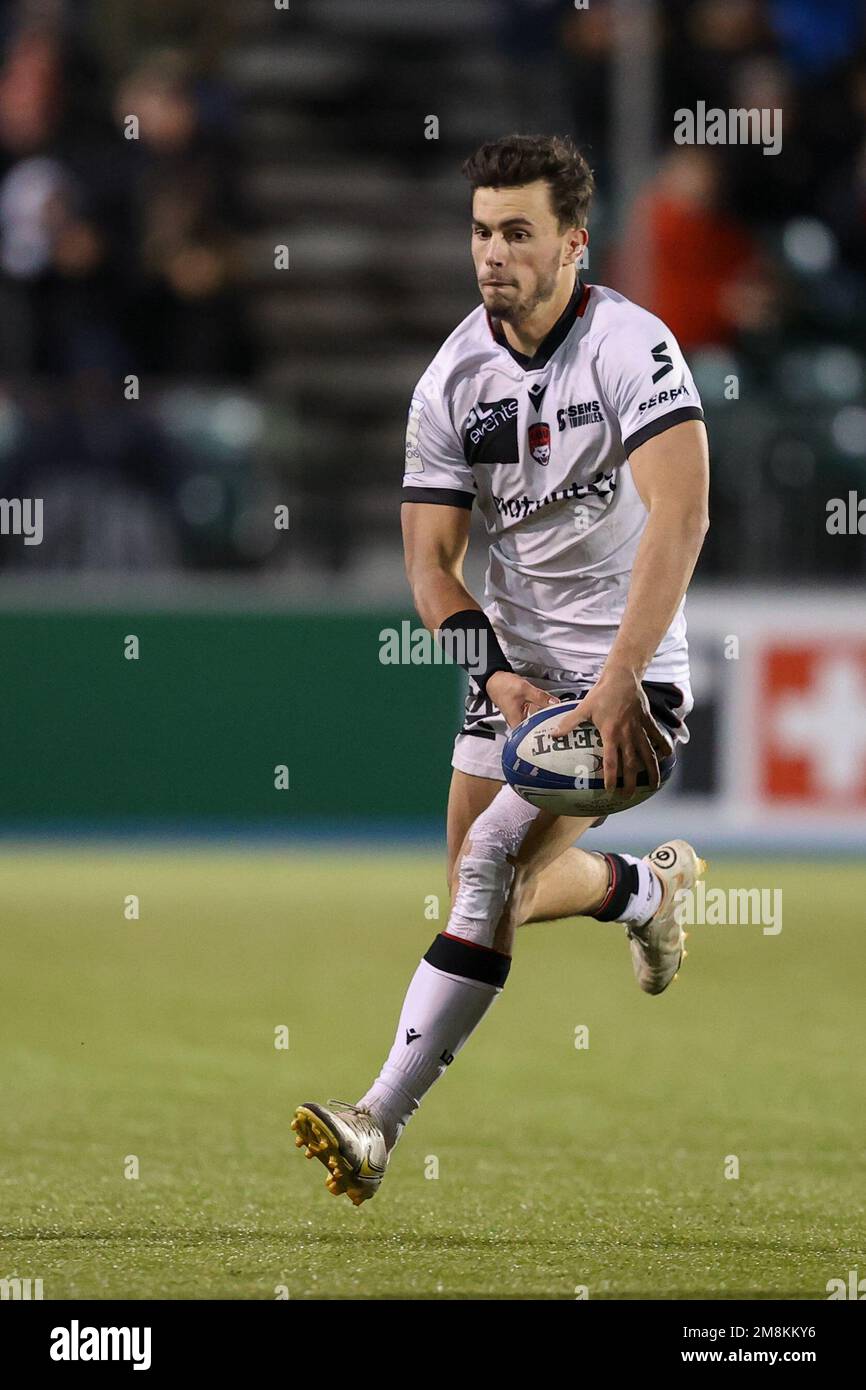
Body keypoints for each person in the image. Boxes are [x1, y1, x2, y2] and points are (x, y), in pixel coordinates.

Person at [292, 134, 710, 1206]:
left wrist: (617, 679)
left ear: (572, 243)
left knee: (486, 869)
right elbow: (430, 565)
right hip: (516, 675)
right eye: (480, 231)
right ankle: (644, 890)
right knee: (487, 889)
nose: (492, 254)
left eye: (517, 233)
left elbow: (681, 512)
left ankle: (375, 1119)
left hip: (629, 673)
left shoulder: (631, 345)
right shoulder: (450, 378)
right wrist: (498, 678)